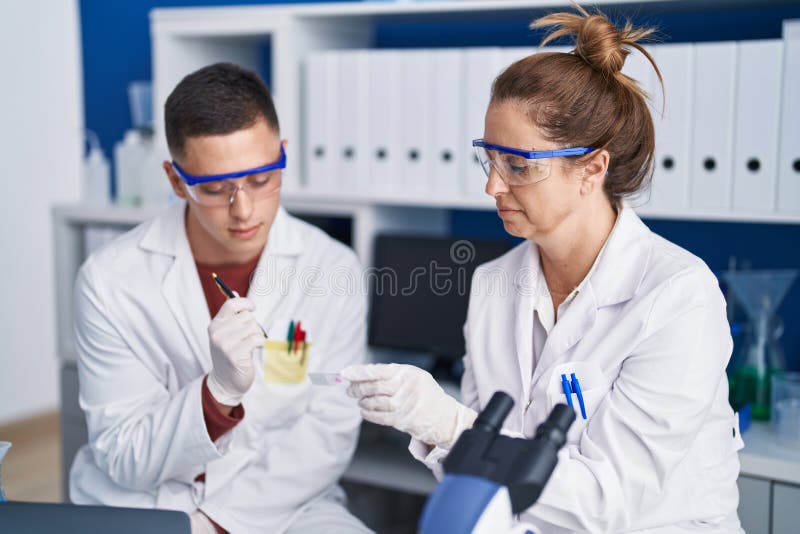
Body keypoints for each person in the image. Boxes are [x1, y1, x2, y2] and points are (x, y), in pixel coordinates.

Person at [343, 6, 744, 533]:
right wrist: (435, 426)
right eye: (490, 159)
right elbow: (477, 470)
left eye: (519, 165)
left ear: (591, 169)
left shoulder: (677, 298)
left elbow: (608, 500)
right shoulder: (494, 284)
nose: (493, 186)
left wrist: (449, 425)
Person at [70, 63, 371, 534]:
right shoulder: (109, 280)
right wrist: (218, 394)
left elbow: (327, 432)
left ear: (283, 154)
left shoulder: (332, 268)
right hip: (144, 501)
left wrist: (218, 523)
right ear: (176, 181)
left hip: (284, 506)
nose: (244, 211)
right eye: (214, 189)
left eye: (261, 179)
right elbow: (124, 454)